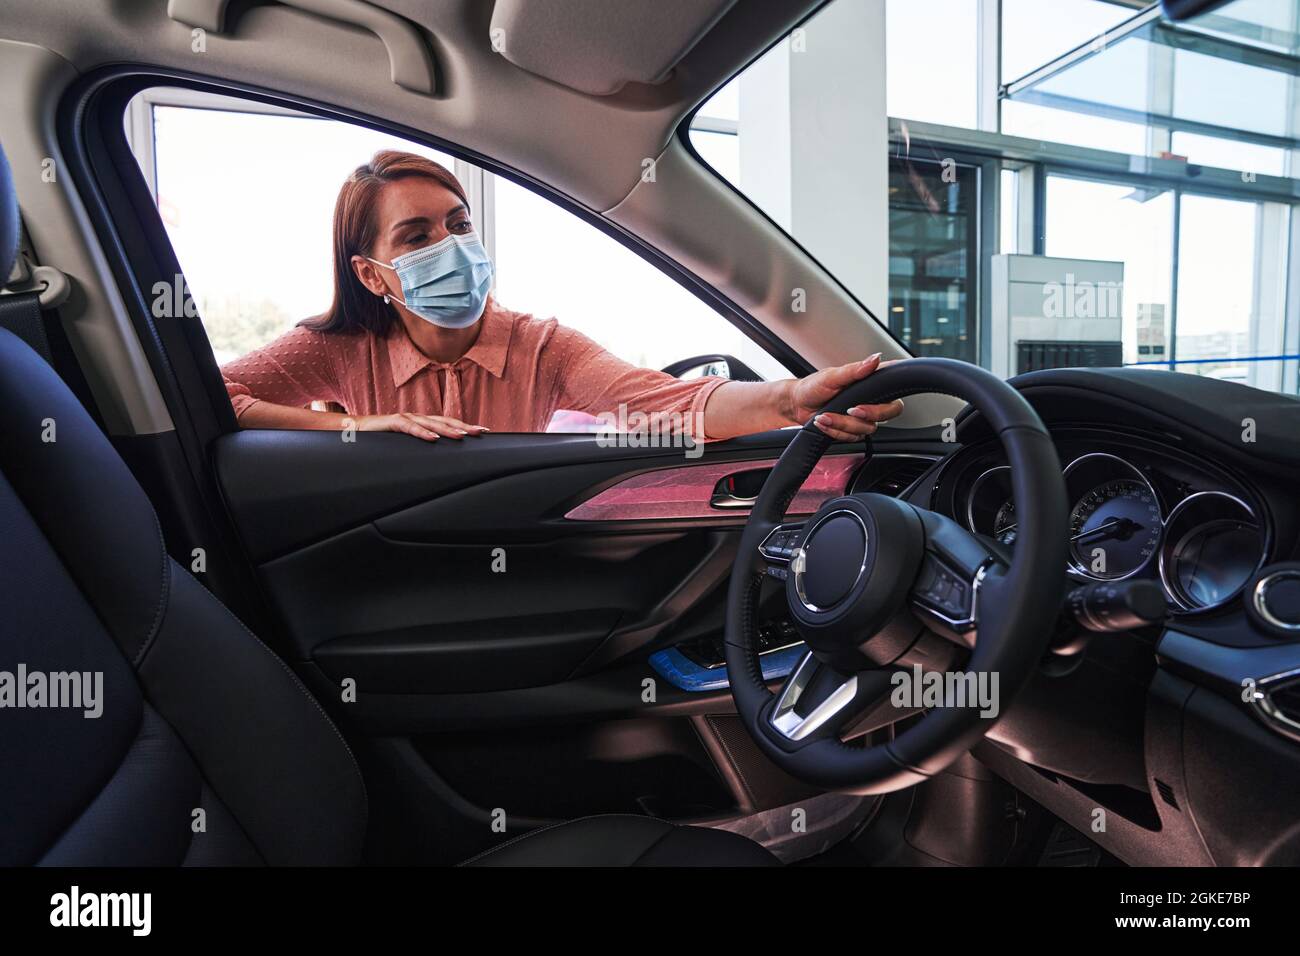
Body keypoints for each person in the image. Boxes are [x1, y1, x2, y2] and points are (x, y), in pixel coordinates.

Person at [220, 150, 903, 443]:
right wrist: (359, 428)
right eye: (417, 236)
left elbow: (669, 406)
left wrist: (790, 399)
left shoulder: (540, 346)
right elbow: (214, 395)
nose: (451, 246)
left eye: (459, 225)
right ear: (372, 274)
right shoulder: (337, 349)